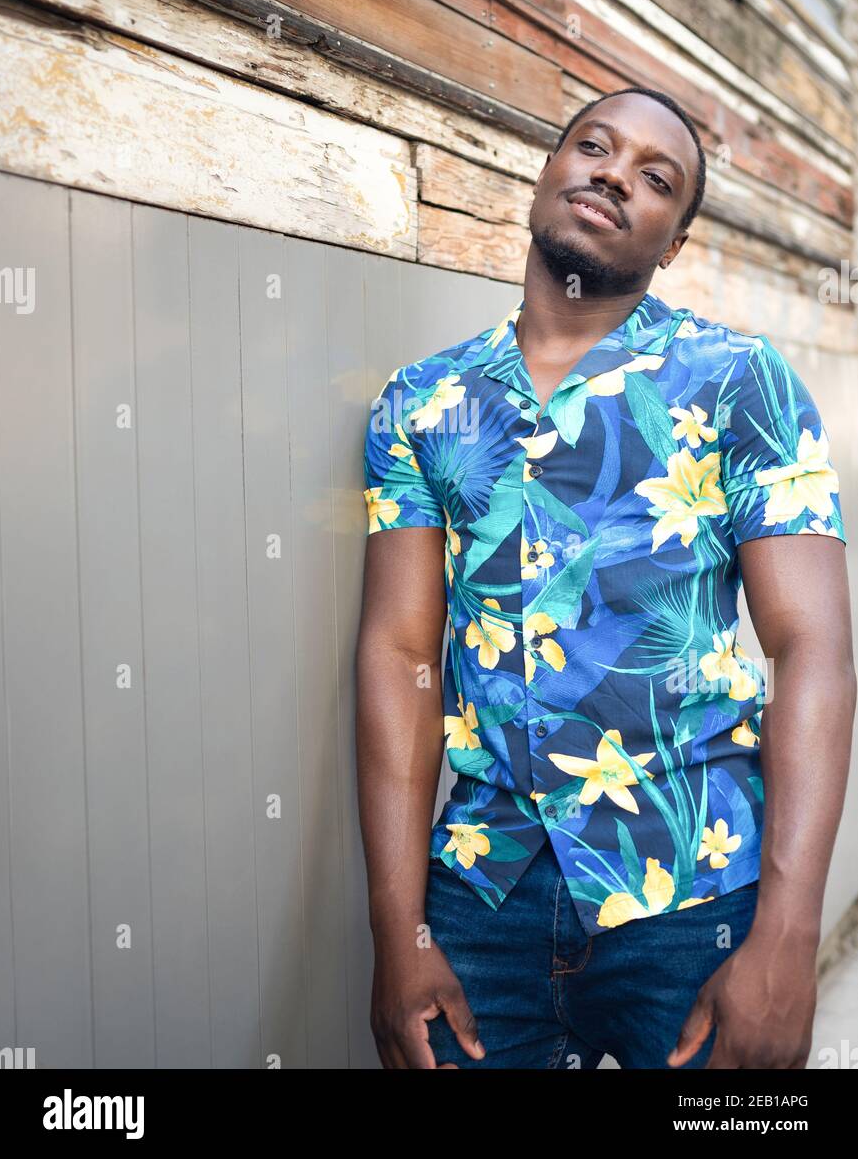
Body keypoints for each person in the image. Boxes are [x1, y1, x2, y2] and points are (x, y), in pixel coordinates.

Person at [355, 86, 855, 1069]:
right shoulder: (419, 404)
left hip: (693, 894)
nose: (613, 173)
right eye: (593, 145)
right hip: (480, 888)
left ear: (672, 243)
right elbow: (398, 652)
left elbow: (813, 650)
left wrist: (788, 942)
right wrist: (397, 931)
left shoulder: (738, 382)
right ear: (547, 170)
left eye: (655, 177)